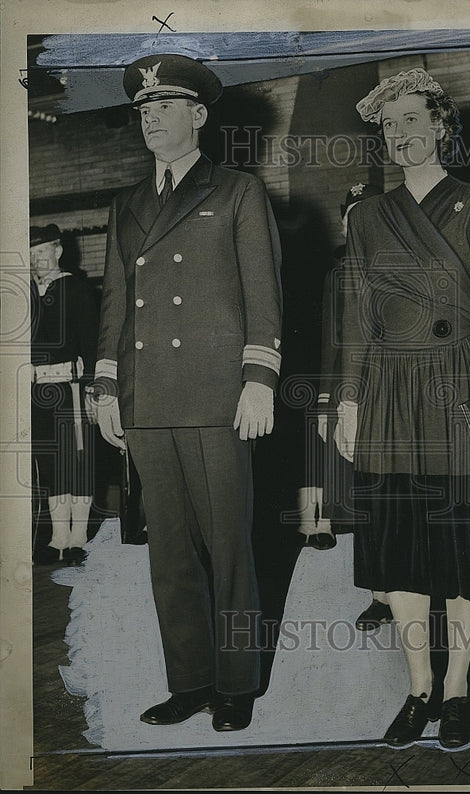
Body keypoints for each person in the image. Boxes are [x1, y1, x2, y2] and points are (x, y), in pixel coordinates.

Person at [334, 68, 470, 750]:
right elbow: (356, 320)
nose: (400, 134)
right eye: (389, 126)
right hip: (389, 389)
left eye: (412, 119)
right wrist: (347, 400)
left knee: (464, 543)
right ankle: (418, 687)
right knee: (400, 549)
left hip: (461, 383)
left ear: (441, 126)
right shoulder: (367, 216)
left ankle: (457, 689)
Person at [91, 53, 282, 733]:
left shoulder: (237, 191)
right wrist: (107, 388)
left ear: (199, 115)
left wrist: (259, 381)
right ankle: (191, 680)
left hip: (215, 396)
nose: (151, 119)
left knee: (228, 548)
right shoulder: (127, 204)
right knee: (168, 552)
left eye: (164, 107)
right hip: (147, 399)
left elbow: (263, 294)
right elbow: (116, 304)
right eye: (143, 110)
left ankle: (236, 683)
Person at [316, 182, 393, 630]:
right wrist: (328, 404)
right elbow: (332, 344)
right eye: (352, 215)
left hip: (401, 395)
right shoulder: (339, 274)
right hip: (355, 399)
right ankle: (380, 595)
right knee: (367, 499)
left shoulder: (403, 262)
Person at [30, 224, 99, 566]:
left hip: (71, 389)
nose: (35, 260)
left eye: (41, 252)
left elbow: (91, 342)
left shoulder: (77, 289)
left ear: (57, 251)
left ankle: (78, 537)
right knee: (51, 463)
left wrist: (92, 389)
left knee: (77, 462)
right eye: (30, 255)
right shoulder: (25, 294)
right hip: (37, 392)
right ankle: (58, 538)